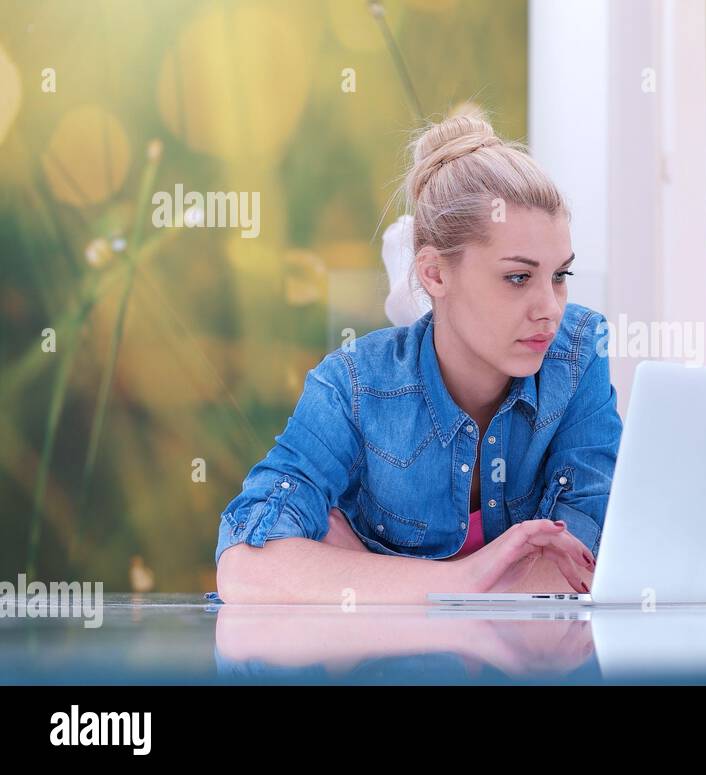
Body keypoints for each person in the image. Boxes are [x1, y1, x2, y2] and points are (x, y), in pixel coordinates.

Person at [215, 109, 622, 604]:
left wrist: (367, 572)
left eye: (560, 276)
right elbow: (246, 568)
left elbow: (589, 566)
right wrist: (464, 580)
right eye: (518, 277)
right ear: (434, 275)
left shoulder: (577, 354)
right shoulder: (352, 387)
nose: (549, 310)